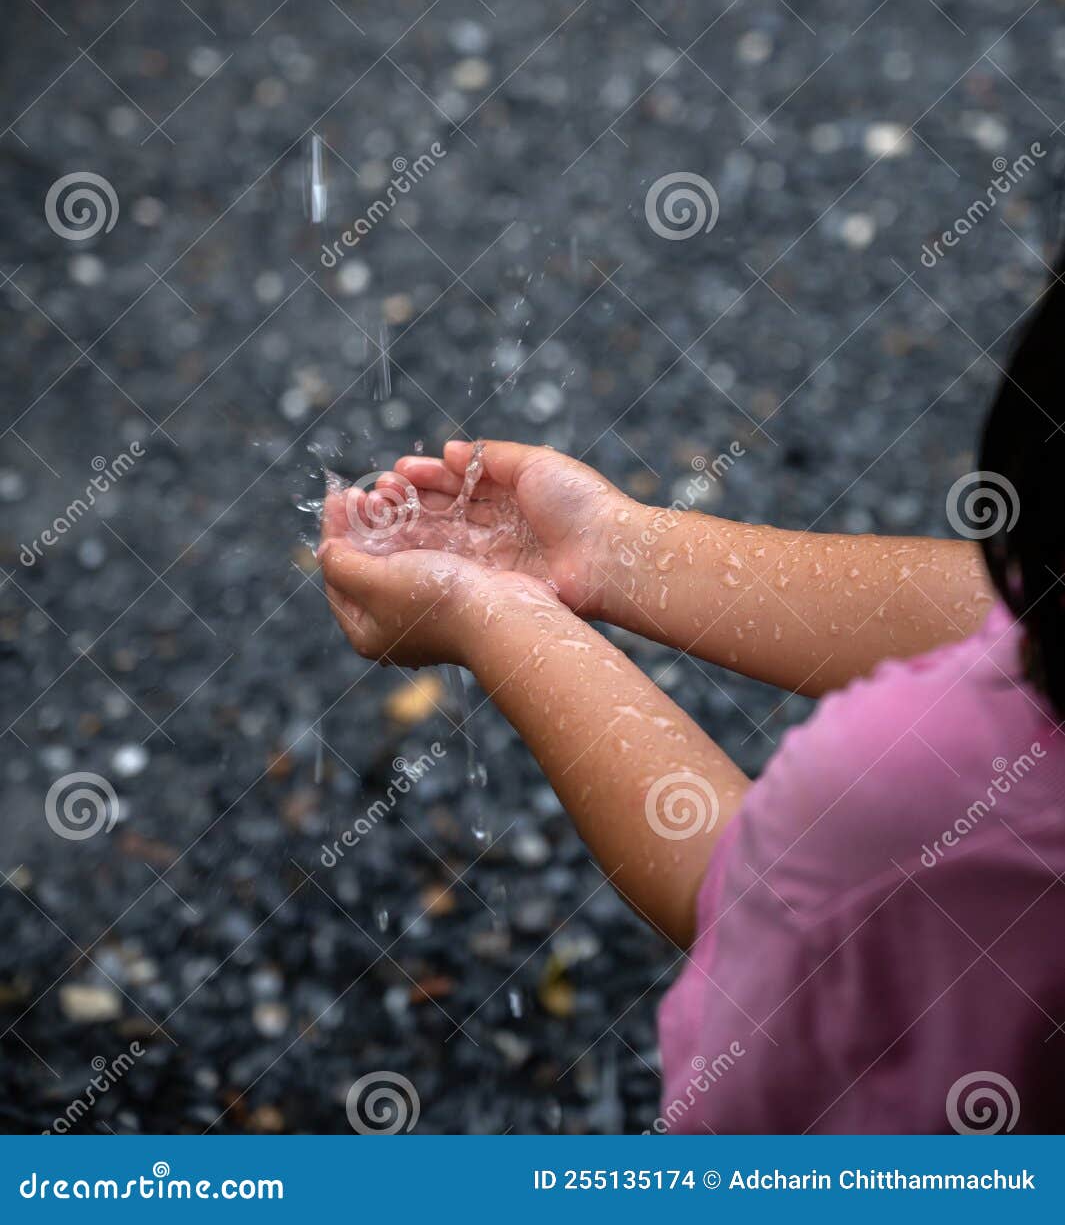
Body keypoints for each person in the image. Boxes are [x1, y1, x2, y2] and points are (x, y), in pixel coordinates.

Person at [317, 263, 1065, 1133]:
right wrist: (614, 548)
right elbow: (1023, 608)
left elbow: (746, 900)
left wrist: (491, 616)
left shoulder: (922, 797)